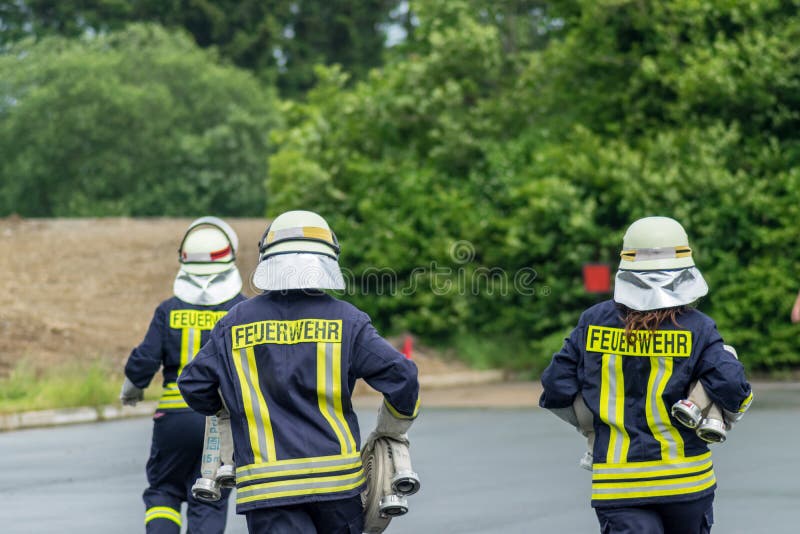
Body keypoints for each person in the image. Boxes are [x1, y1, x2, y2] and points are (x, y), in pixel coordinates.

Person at [177, 210, 420, 534]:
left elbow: (193, 384)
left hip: (268, 492)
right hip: (338, 489)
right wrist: (390, 429)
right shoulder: (348, 320)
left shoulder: (233, 323)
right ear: (328, 259)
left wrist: (229, 409)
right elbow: (403, 377)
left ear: (268, 259)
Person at [539, 216, 753, 534]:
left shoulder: (592, 321)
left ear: (626, 266)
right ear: (685, 266)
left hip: (618, 485)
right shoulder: (698, 327)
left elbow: (556, 386)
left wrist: (592, 427)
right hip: (686, 482)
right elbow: (734, 387)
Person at [120, 217, 247, 533]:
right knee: (211, 497)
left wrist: (131, 390)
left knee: (164, 491)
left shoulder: (168, 310)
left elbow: (144, 361)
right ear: (229, 257)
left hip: (173, 419)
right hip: (221, 423)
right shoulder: (242, 312)